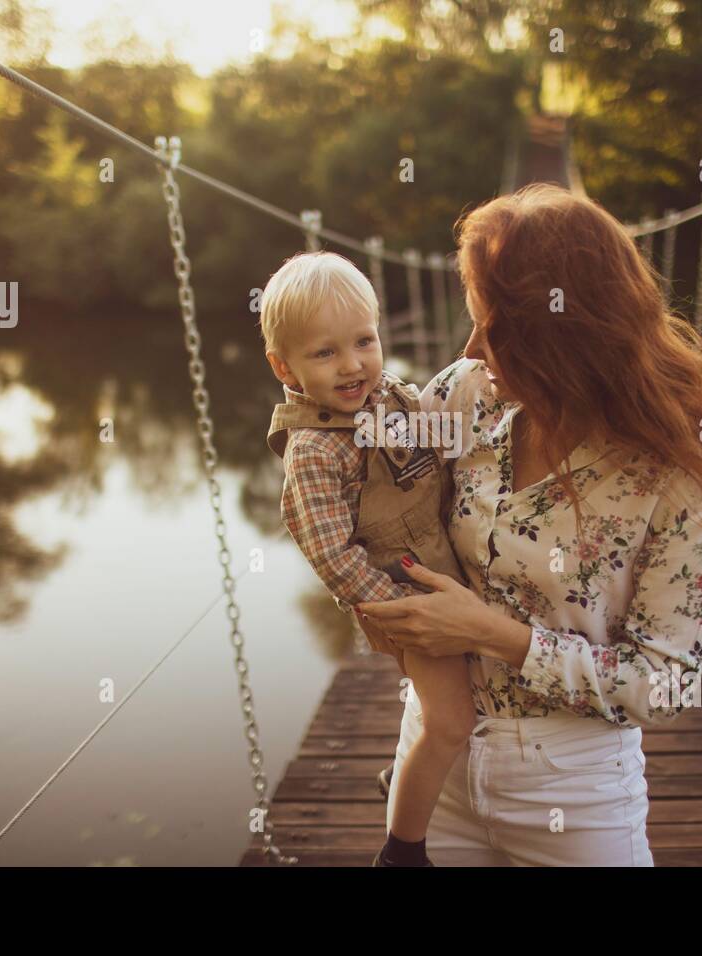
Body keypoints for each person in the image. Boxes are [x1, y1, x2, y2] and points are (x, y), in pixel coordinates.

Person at [356, 183, 702, 865]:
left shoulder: (679, 481)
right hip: (433, 767)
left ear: (560, 337)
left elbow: (662, 686)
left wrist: (493, 634)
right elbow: (364, 463)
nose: (469, 347)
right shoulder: (470, 395)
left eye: (490, 328)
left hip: (575, 795)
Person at [260, 250, 478, 868]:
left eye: (364, 340)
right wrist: (405, 611)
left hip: (444, 571)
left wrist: (482, 369)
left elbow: (446, 433)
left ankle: (406, 774)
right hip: (407, 601)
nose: (353, 365)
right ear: (286, 367)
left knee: (475, 690)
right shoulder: (314, 451)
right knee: (450, 720)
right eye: (325, 353)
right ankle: (402, 847)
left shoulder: (392, 398)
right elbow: (331, 553)